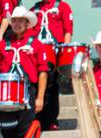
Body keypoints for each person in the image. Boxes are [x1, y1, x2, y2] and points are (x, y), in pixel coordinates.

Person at [0, 9, 49, 138]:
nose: (17, 24)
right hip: (7, 94)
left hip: (27, 92)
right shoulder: (2, 45)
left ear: (27, 23)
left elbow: (43, 72)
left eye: (20, 21)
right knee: (7, 134)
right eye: (14, 21)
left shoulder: (36, 44)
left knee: (25, 134)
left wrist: (39, 97)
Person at [30, 0, 72, 131]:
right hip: (37, 54)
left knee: (52, 85)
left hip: (54, 52)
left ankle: (51, 120)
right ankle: (37, 119)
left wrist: (64, 51)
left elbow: (67, 31)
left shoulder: (62, 7)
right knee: (35, 84)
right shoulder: (33, 10)